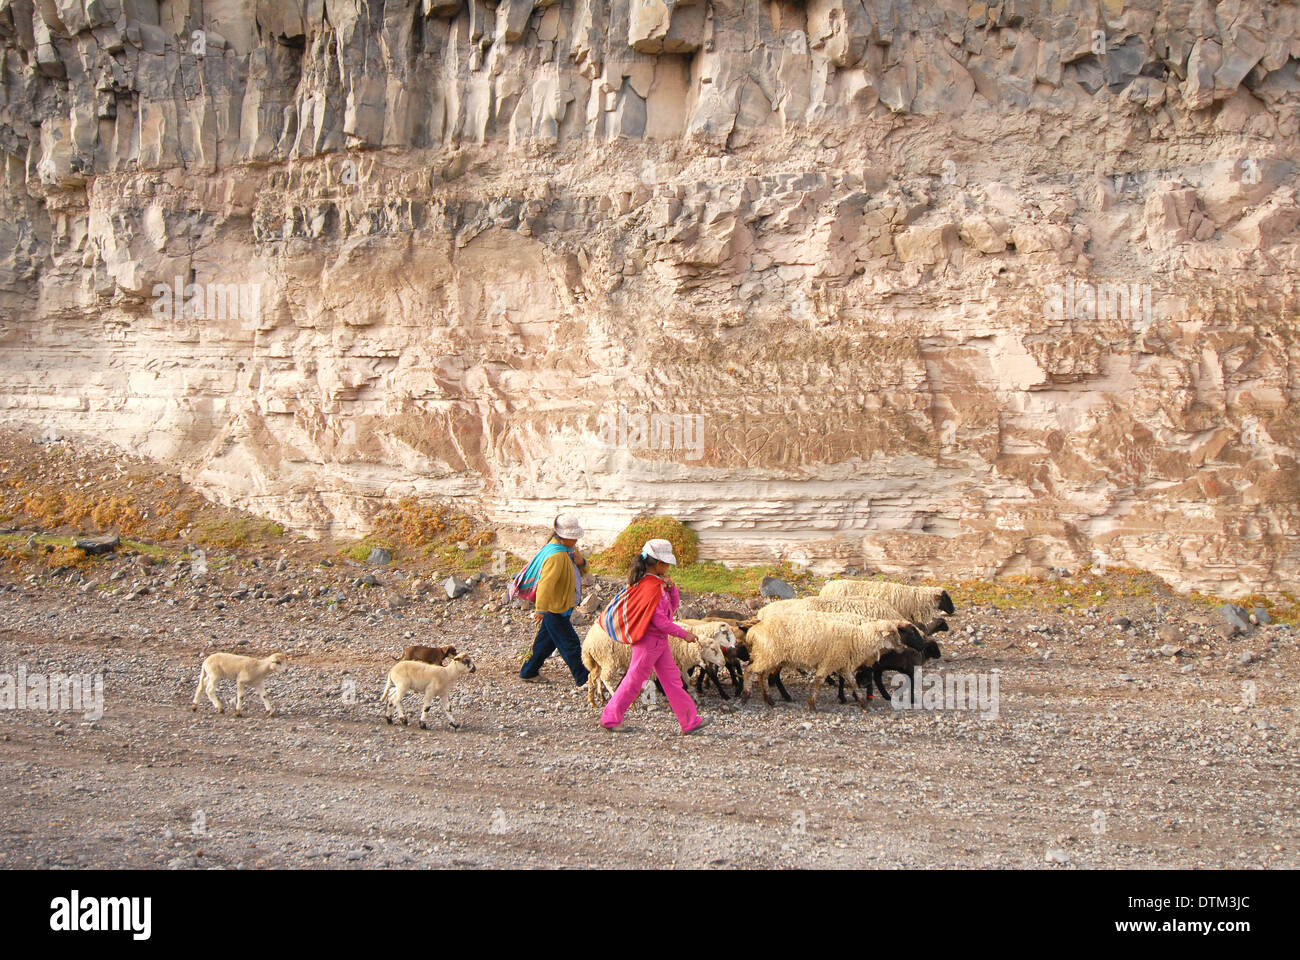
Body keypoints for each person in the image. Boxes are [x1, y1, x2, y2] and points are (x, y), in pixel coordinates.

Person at [599, 539, 709, 736]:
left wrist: (672, 588)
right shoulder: (652, 587)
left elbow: (670, 609)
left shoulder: (648, 584)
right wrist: (685, 634)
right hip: (649, 643)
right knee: (634, 680)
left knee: (672, 680)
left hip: (658, 643)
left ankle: (689, 721)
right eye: (666, 564)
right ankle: (610, 718)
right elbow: (661, 621)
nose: (668, 568)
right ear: (659, 564)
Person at [518, 514, 590, 686]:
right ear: (563, 536)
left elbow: (583, 570)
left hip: (562, 605)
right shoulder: (556, 556)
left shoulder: (568, 550)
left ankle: (529, 671)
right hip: (555, 608)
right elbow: (545, 584)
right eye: (572, 538)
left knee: (546, 642)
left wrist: (582, 563)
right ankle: (584, 679)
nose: (575, 541)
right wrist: (540, 610)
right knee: (570, 643)